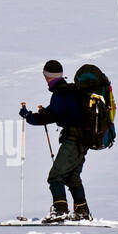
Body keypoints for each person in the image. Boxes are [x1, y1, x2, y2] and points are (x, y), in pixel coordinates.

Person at [19, 60, 92, 222]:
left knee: (55, 176)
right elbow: (60, 113)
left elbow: (52, 116)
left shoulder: (61, 93)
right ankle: (82, 212)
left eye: (45, 75)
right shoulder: (70, 91)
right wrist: (47, 113)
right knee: (72, 177)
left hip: (73, 139)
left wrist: (29, 116)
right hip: (84, 139)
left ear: (48, 76)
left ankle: (60, 212)